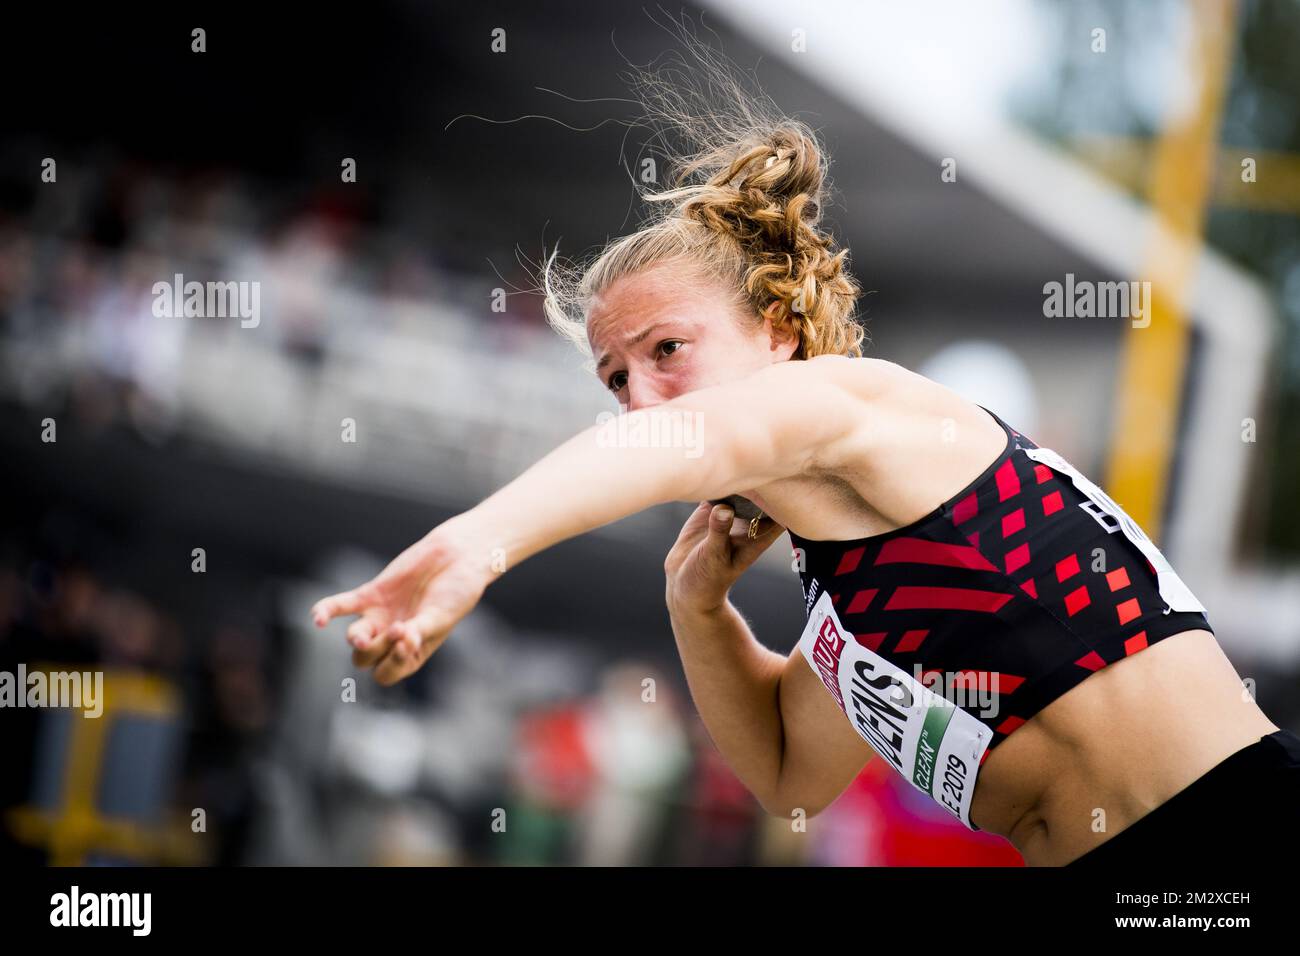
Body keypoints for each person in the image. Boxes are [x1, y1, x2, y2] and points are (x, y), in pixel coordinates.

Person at [311, 41, 1296, 867]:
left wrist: (478, 542)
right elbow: (789, 771)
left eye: (667, 350)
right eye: (615, 379)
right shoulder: (843, 579)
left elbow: (686, 436)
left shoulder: (852, 403)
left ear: (778, 330)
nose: (639, 398)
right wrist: (695, 608)